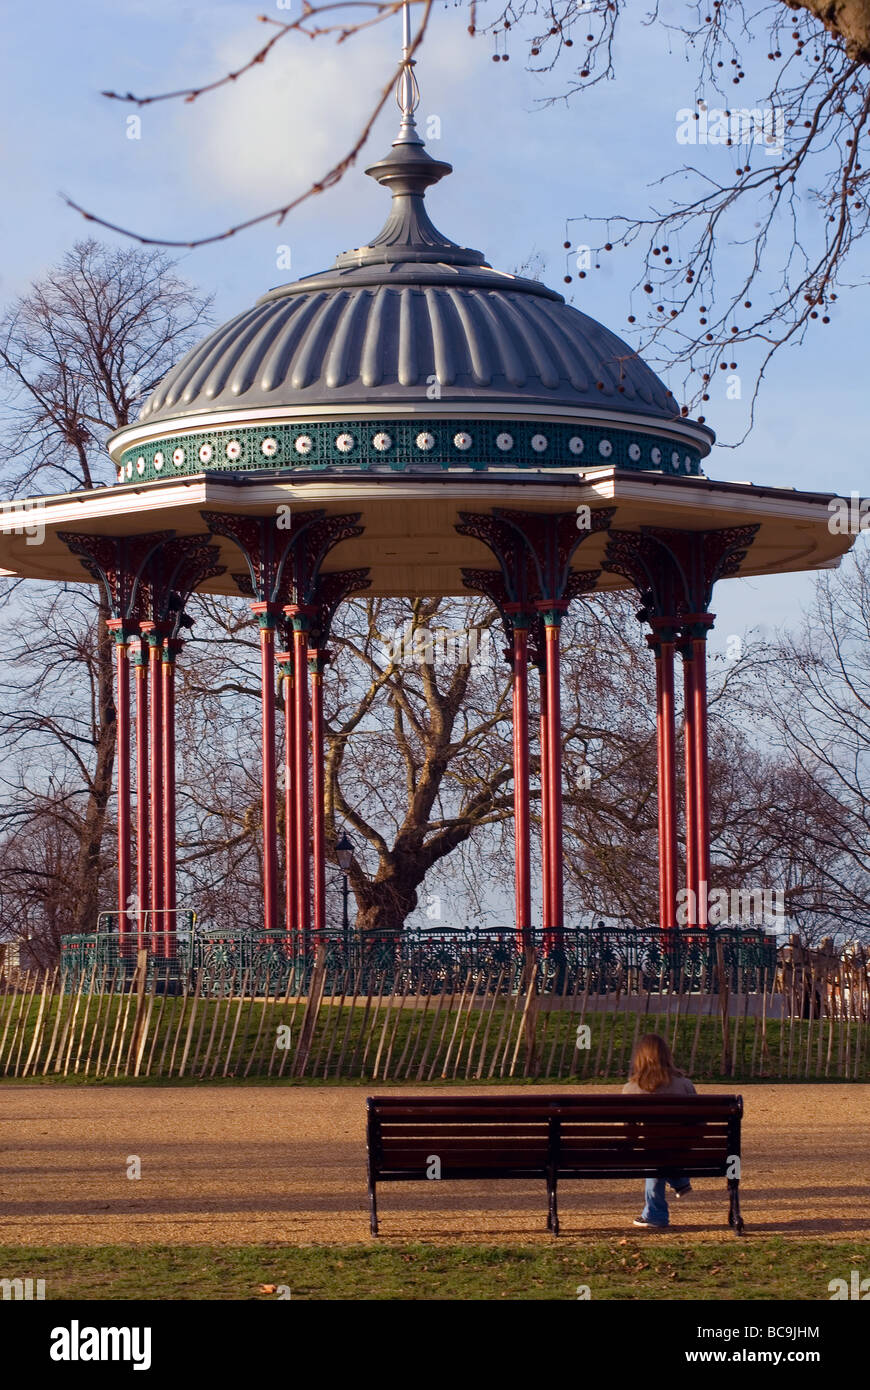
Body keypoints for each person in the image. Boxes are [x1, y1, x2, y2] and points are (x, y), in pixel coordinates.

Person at [622, 1032, 696, 1229]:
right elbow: (697, 1123)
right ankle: (679, 1178)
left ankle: (655, 1215)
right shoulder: (685, 1085)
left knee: (653, 1152)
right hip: (681, 1149)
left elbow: (629, 1131)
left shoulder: (631, 1088)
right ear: (667, 1056)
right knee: (661, 1149)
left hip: (651, 1151)